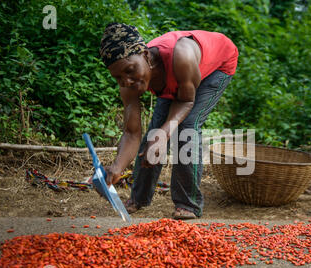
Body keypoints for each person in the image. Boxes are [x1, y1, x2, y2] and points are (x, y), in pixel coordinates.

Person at [99, 23, 238, 219]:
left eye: (130, 70)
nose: (127, 81)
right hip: (177, 78)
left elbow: (187, 100)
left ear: (146, 56)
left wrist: (165, 133)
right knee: (155, 134)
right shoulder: (128, 82)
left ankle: (188, 204)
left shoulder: (181, 56)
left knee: (186, 128)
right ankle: (138, 198)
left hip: (216, 66)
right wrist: (116, 168)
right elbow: (131, 133)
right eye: (118, 77)